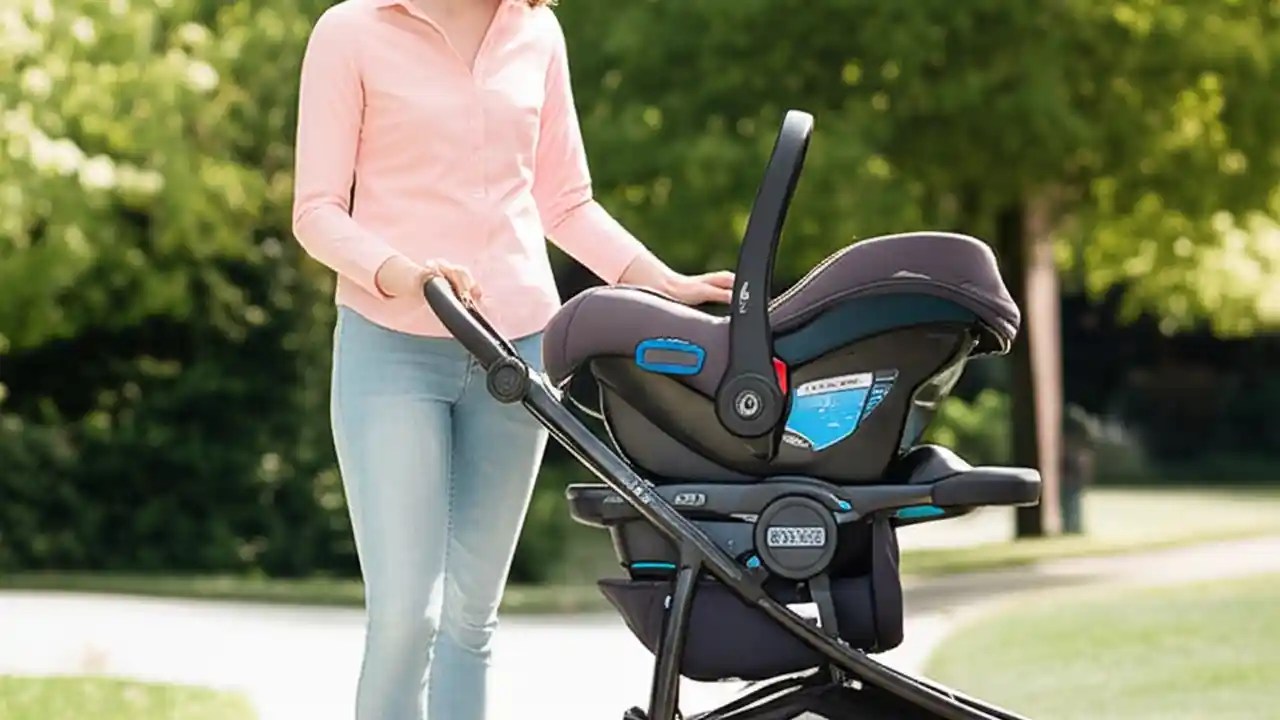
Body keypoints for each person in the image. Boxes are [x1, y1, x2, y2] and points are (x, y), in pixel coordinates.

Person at [290, 0, 735, 718]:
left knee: (471, 619)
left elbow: (565, 202)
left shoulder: (536, 31)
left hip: (517, 353)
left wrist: (661, 281)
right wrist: (406, 274)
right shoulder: (352, 30)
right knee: (407, 618)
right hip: (392, 347)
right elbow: (315, 211)